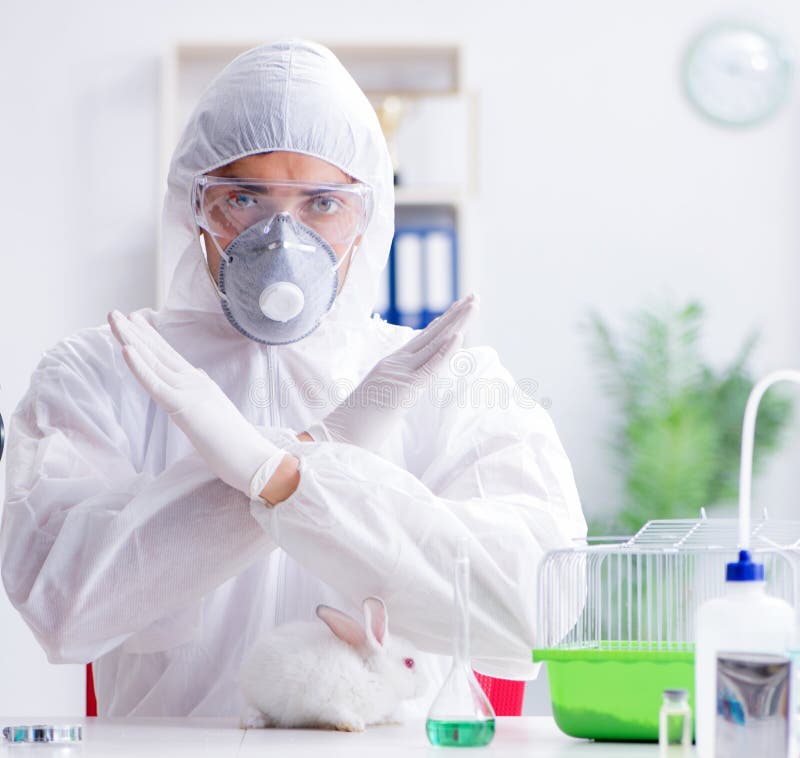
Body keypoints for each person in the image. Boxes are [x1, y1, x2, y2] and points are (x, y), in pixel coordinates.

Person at [0, 40, 587, 717]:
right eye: (243, 198)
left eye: (322, 203)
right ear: (194, 207)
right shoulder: (106, 371)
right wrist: (310, 454)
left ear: (367, 217)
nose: (281, 239)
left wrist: (291, 477)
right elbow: (62, 605)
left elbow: (534, 609)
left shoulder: (446, 380)